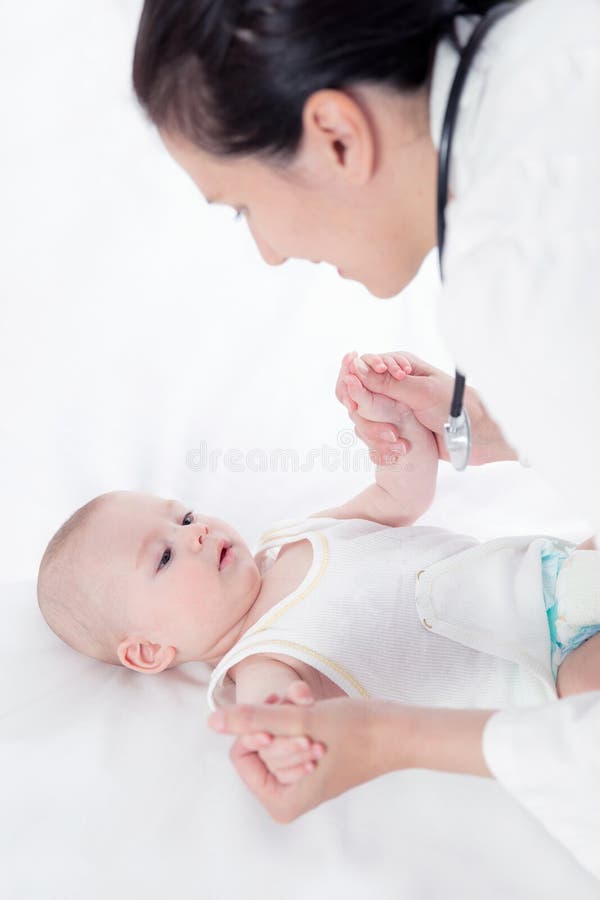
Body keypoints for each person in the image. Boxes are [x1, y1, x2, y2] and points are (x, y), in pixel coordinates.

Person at [131, 0, 600, 877]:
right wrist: (489, 423)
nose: (268, 254)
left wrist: (385, 738)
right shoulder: (554, 43)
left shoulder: (516, 293)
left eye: (239, 207)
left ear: (337, 137)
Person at [36, 351, 600, 785]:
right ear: (149, 651)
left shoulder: (293, 539)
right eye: (163, 556)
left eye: (183, 517)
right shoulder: (257, 660)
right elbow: (274, 712)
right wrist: (280, 736)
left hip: (556, 573)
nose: (196, 533)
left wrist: (389, 432)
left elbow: (398, 499)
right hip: (546, 671)